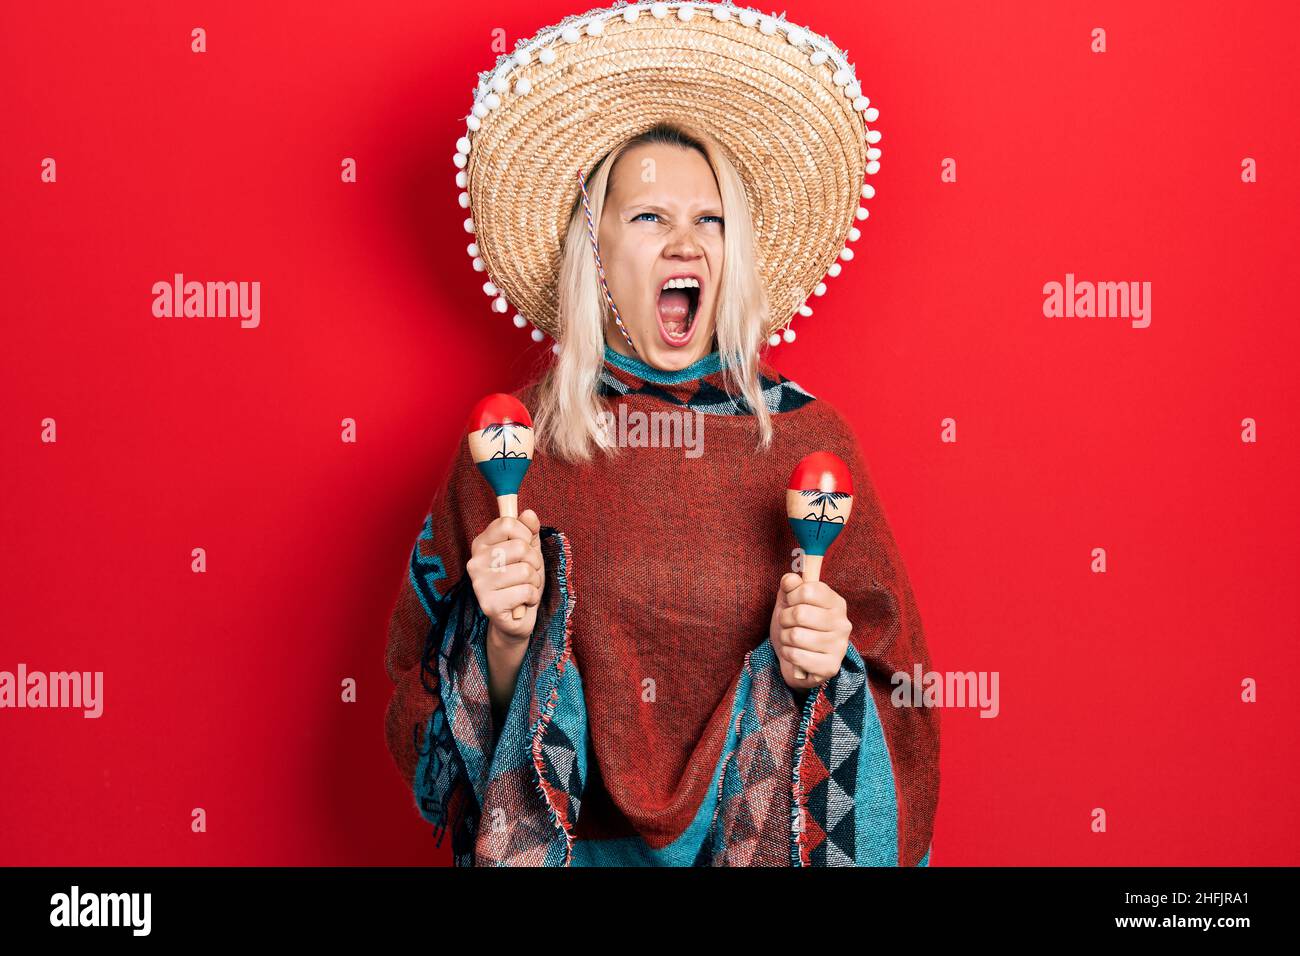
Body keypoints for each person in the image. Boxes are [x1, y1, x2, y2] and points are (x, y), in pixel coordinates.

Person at [384, 3, 938, 866]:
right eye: (648, 218)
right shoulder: (515, 448)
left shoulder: (808, 441)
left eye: (709, 220)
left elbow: (904, 696)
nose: (685, 241)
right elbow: (422, 721)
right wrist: (498, 640)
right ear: (595, 249)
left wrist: (831, 665)